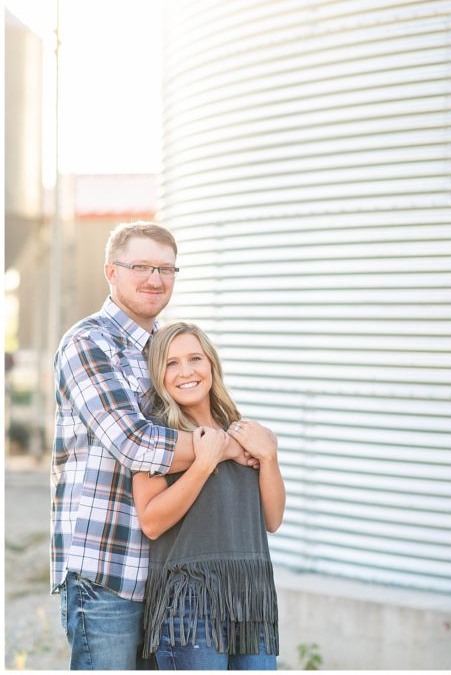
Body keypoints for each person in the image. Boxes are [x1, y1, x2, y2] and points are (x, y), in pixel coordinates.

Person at [52, 224, 254, 670]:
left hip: (173, 575)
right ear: (111, 272)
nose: (154, 279)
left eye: (165, 268)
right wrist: (227, 447)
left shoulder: (166, 349)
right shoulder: (88, 343)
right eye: (140, 266)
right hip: (109, 570)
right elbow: (133, 442)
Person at [135, 323, 285, 669]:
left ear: (211, 365)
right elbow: (152, 522)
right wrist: (204, 463)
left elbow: (273, 519)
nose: (185, 372)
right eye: (171, 363)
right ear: (158, 374)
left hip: (250, 596)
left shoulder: (242, 430)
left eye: (194, 358)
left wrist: (269, 457)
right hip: (190, 604)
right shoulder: (156, 435)